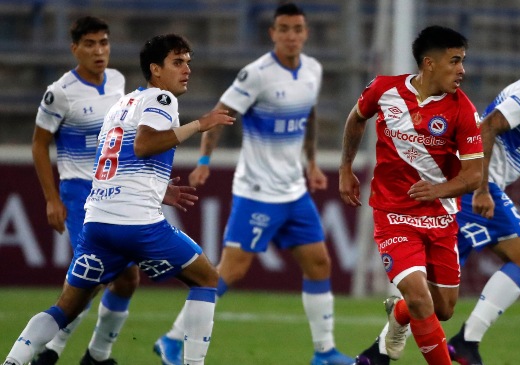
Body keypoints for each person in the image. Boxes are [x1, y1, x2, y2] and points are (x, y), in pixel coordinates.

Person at [354, 32, 520, 365]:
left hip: (485, 187)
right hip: (477, 186)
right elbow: (488, 126)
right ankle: (459, 344)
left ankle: (383, 351)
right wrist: (479, 189)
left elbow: (512, 141)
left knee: (437, 299)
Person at [3, 33, 235, 365]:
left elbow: (114, 159)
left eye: (188, 62)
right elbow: (144, 144)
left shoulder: (120, 104)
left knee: (65, 307)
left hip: (97, 222)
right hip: (137, 225)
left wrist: (158, 188)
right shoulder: (162, 99)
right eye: (178, 62)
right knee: (207, 278)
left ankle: (14, 360)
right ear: (156, 69)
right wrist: (200, 125)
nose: (187, 70)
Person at [153, 3, 355, 365]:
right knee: (229, 272)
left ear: (305, 33)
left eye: (297, 29)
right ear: (273, 33)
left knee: (319, 263)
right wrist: (202, 161)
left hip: (294, 190)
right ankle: (171, 339)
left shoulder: (312, 70)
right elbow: (221, 114)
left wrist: (310, 162)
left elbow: (307, 114)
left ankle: (324, 352)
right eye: (284, 29)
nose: (291, 35)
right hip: (257, 192)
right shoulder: (256, 75)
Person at [339, 25, 484, 365]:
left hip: (441, 215)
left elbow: (474, 176)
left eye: (463, 61)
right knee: (421, 299)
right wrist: (346, 168)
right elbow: (356, 118)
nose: (462, 70)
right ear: (429, 63)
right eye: (455, 61)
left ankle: (398, 317)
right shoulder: (383, 89)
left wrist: (438, 190)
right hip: (393, 215)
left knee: (442, 309)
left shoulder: (463, 111)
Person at [30, 16, 140, 365]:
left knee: (127, 279)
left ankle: (96, 355)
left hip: (114, 191)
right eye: (90, 44)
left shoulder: (118, 82)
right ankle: (48, 351)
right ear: (74, 48)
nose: (99, 51)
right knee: (92, 273)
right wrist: (52, 198)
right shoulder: (60, 92)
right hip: (79, 195)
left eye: (104, 43)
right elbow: (38, 144)